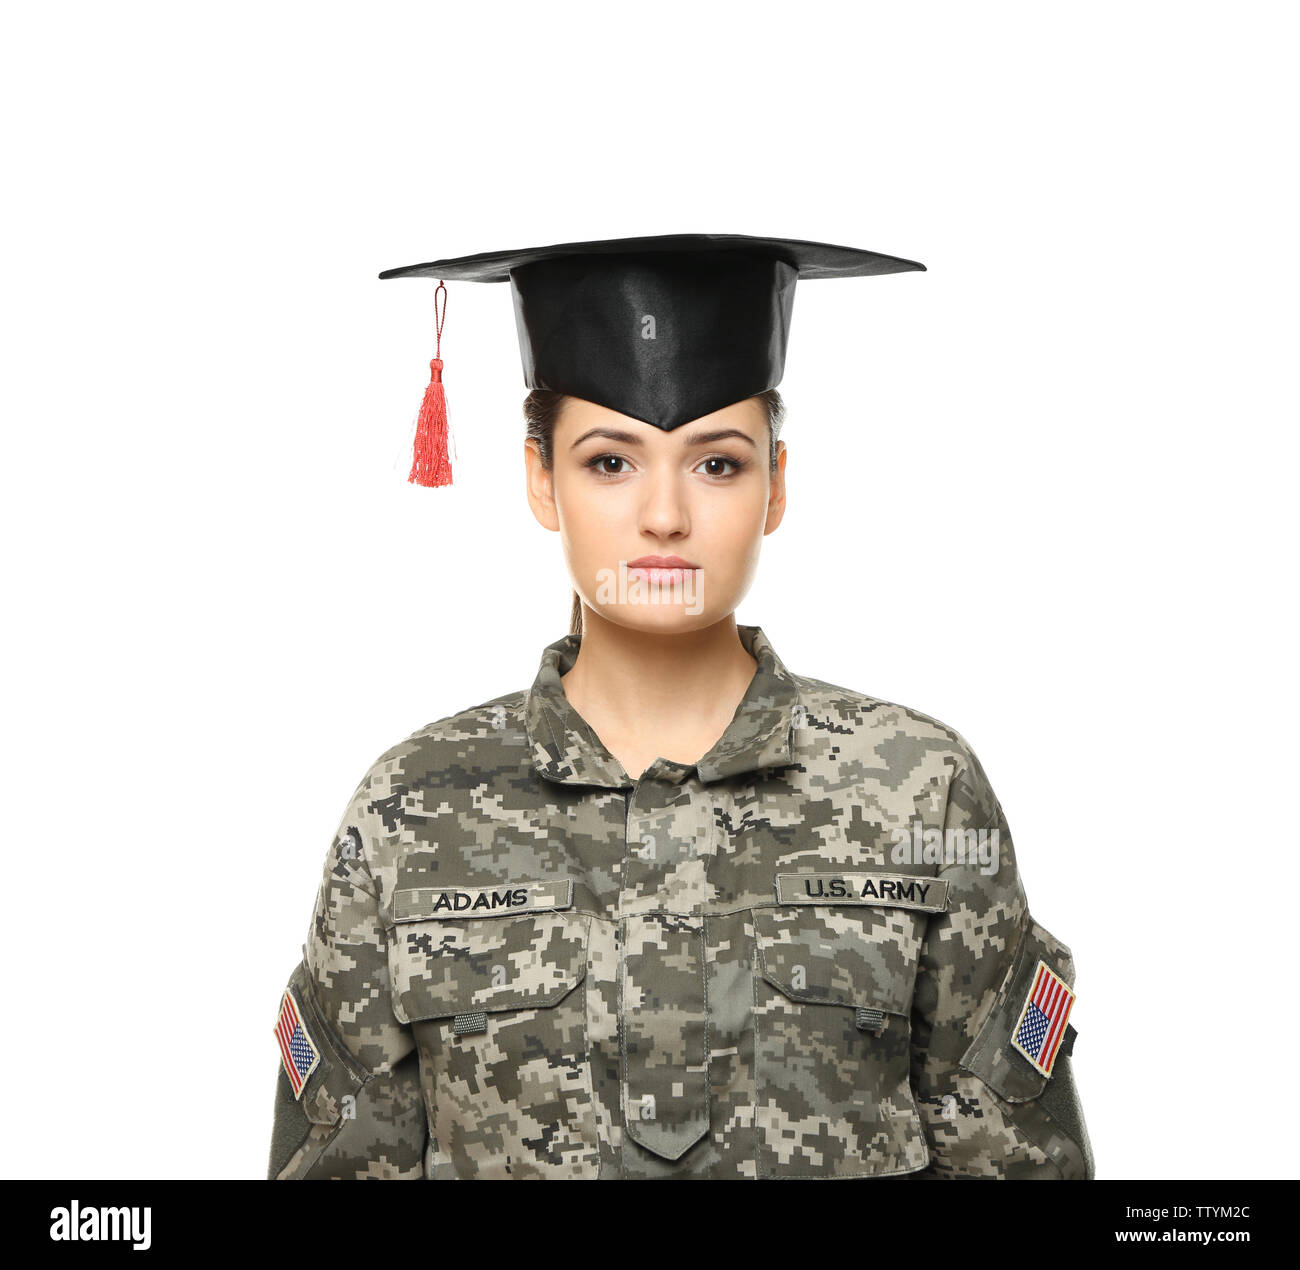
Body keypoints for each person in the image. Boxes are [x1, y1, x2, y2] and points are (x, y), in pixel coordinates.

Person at [267, 234, 1094, 1179]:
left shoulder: (919, 791)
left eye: (717, 464)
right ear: (542, 479)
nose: (664, 516)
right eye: (611, 463)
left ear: (777, 483)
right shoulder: (408, 809)